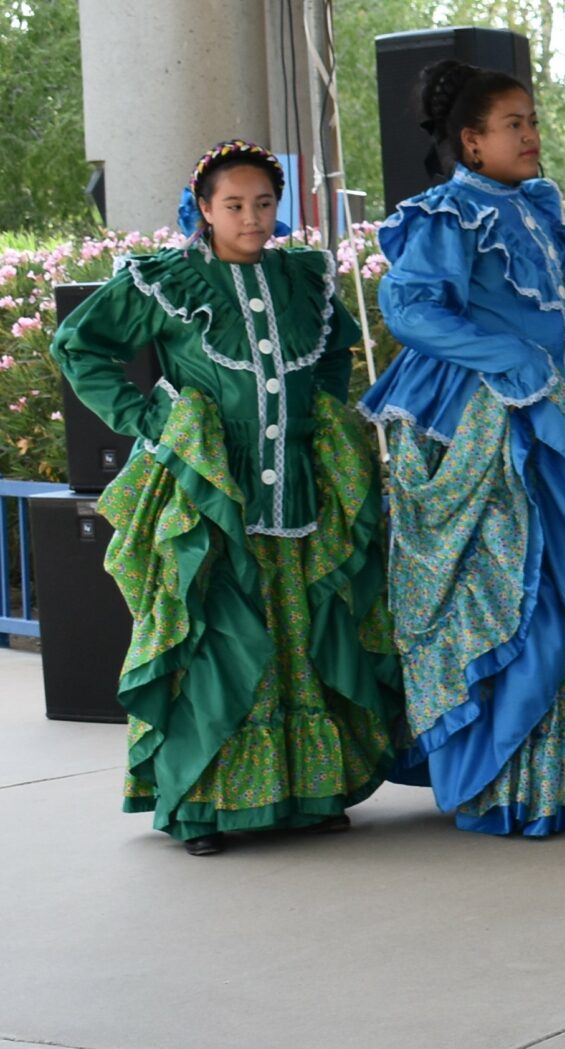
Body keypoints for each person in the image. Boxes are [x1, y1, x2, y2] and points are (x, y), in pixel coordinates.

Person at [52, 139, 403, 856]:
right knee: (218, 632)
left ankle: (311, 791)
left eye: (264, 204)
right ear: (204, 209)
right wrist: (151, 418)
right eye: (234, 205)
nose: (252, 218)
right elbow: (77, 345)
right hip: (210, 485)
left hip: (300, 480)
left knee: (302, 630)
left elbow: (332, 355)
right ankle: (208, 806)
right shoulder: (167, 279)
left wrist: (327, 424)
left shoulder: (304, 275)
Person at [359, 61, 565, 836]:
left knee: (561, 585)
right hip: (489, 427)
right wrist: (511, 362)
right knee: (512, 591)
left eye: (532, 120)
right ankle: (504, 778)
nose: (531, 135)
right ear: (471, 140)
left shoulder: (534, 207)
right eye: (513, 124)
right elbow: (411, 308)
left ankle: (561, 774)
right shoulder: (447, 212)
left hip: (556, 415)